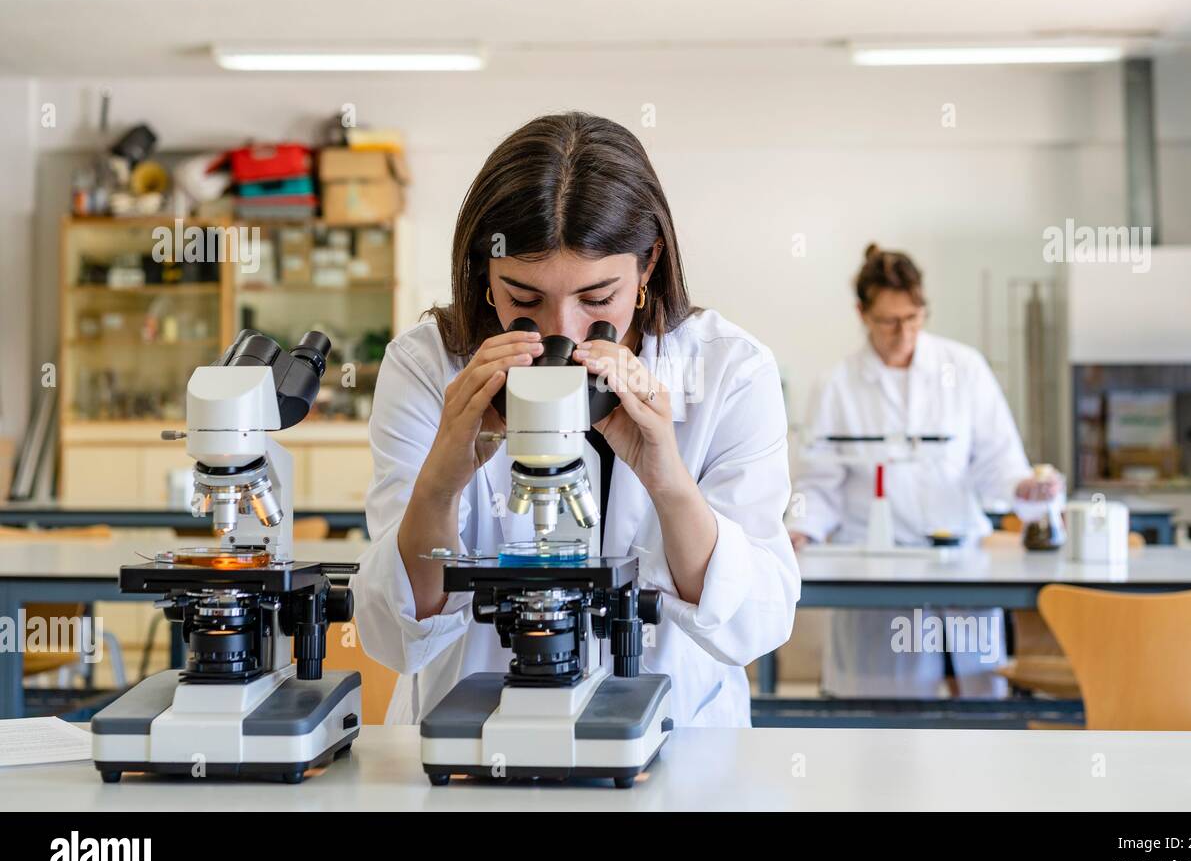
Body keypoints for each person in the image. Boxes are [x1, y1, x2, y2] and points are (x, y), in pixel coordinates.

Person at [351, 112, 799, 727]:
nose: (561, 333)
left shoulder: (730, 369)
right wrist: (440, 482)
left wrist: (668, 482)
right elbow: (394, 635)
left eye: (597, 299)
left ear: (647, 268)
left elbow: (755, 623)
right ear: (485, 273)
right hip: (471, 745)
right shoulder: (429, 365)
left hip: (678, 746)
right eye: (524, 299)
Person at [786, 243, 1060, 697]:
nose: (903, 332)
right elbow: (820, 482)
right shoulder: (837, 384)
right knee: (882, 731)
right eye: (888, 322)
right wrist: (802, 528)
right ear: (861, 313)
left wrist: (1026, 488)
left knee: (977, 717)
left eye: (913, 318)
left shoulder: (964, 368)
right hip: (875, 571)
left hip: (958, 565)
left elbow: (999, 462)